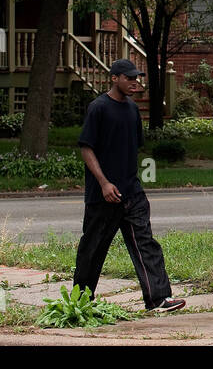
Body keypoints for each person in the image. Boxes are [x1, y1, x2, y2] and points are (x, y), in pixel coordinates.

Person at [71, 59, 185, 313]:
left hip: (131, 193)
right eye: (129, 78)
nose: (135, 82)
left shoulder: (133, 110)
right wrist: (103, 183)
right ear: (114, 78)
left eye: (137, 78)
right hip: (103, 196)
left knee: (146, 244)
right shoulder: (98, 108)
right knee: (93, 248)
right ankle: (79, 302)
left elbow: (133, 148)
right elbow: (86, 149)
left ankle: (158, 299)